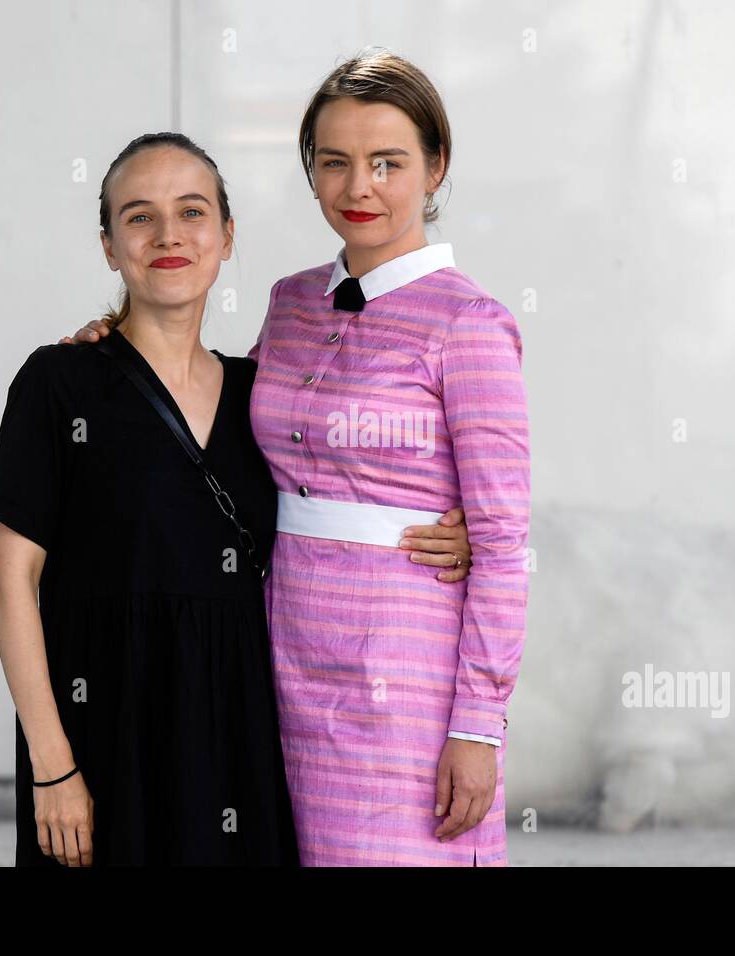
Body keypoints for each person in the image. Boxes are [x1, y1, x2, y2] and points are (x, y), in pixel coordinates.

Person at [67, 49, 530, 866]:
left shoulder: (472, 326)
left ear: (436, 168)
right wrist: (117, 347)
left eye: (388, 162)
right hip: (279, 653)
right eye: (335, 163)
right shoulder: (290, 302)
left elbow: (502, 544)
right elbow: (214, 425)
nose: (360, 188)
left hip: (404, 672)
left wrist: (477, 726)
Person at [0, 131, 475, 866]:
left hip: (238, 739)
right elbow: (10, 580)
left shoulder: (258, 395)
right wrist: (54, 765)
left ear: (227, 236)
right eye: (138, 217)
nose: (168, 234)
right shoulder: (59, 382)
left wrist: (441, 534)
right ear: (109, 246)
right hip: (101, 733)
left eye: (192, 212)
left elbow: (333, 498)